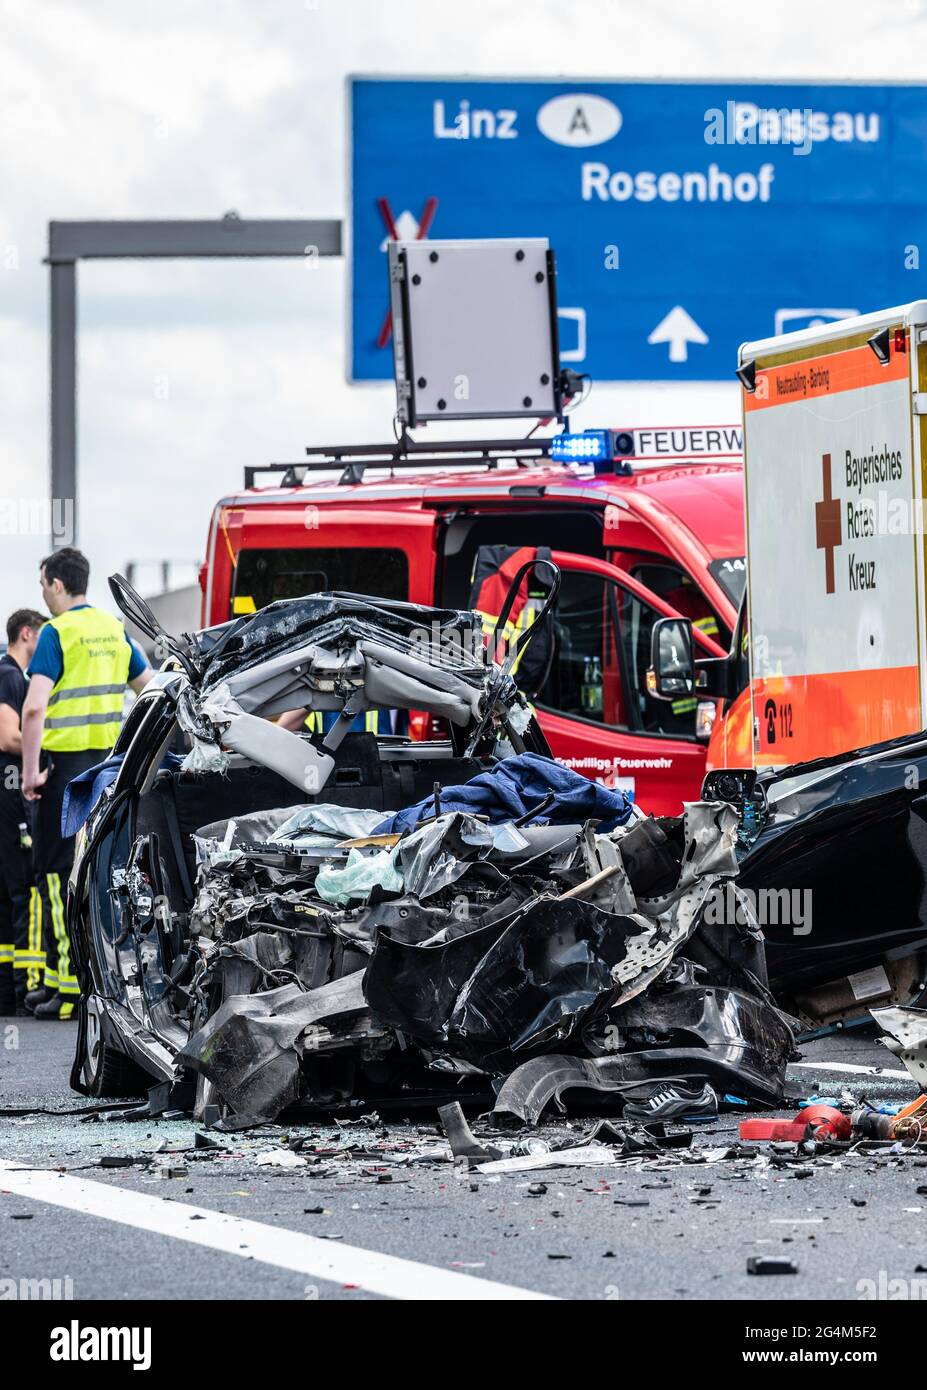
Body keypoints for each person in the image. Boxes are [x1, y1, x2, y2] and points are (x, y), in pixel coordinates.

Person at [21, 548, 151, 1020]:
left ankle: (66, 985)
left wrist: (31, 772)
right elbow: (149, 686)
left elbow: (34, 708)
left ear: (56, 584)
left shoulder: (57, 633)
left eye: (42, 586)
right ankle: (97, 981)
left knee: (55, 876)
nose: (43, 594)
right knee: (99, 874)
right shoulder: (114, 629)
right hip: (108, 771)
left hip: (64, 774)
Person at [0, 610, 46, 1016]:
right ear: (27, 633)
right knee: (21, 893)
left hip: (8, 795)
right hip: (11, 796)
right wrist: (45, 744)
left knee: (8, 893)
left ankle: (7, 992)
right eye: (41, 636)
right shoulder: (11, 676)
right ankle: (20, 989)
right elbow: (9, 735)